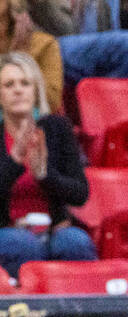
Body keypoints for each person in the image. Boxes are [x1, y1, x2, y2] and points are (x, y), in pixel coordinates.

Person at [0, 50, 93, 278]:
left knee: (76, 243)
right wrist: (14, 162)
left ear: (36, 90)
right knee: (22, 244)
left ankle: (81, 313)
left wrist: (44, 175)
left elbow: (80, 193)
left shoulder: (57, 128)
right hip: (7, 231)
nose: (18, 89)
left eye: (25, 83)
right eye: (9, 84)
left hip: (54, 229)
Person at [0, 1, 60, 110]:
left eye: (2, 19)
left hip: (33, 119)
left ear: (15, 20)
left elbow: (52, 101)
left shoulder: (44, 45)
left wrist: (22, 61)